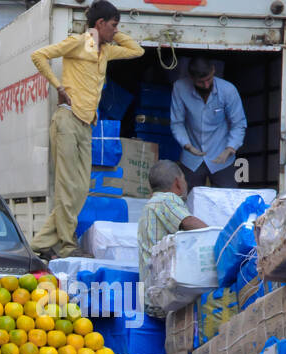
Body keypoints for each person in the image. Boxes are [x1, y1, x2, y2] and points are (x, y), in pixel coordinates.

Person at [28, 1, 143, 260]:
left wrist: (110, 32)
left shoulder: (106, 51)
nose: (116, 31)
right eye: (113, 26)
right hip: (68, 120)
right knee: (67, 188)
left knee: (80, 190)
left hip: (86, 124)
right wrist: (58, 86)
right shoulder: (78, 42)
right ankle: (67, 245)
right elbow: (39, 55)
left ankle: (38, 245)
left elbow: (136, 51)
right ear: (100, 24)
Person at [171, 58, 247, 190]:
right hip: (192, 158)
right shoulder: (180, 88)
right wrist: (187, 145)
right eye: (201, 82)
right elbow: (177, 123)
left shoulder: (228, 90)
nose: (206, 85)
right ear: (191, 78)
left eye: (209, 79)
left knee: (228, 201)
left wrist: (230, 148)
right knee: (188, 202)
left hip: (223, 157)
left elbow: (238, 123)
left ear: (213, 71)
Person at [138, 160, 210, 292]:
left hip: (148, 295)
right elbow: (189, 222)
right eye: (184, 180)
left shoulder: (149, 205)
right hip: (163, 297)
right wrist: (222, 237)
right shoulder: (166, 199)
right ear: (178, 183)